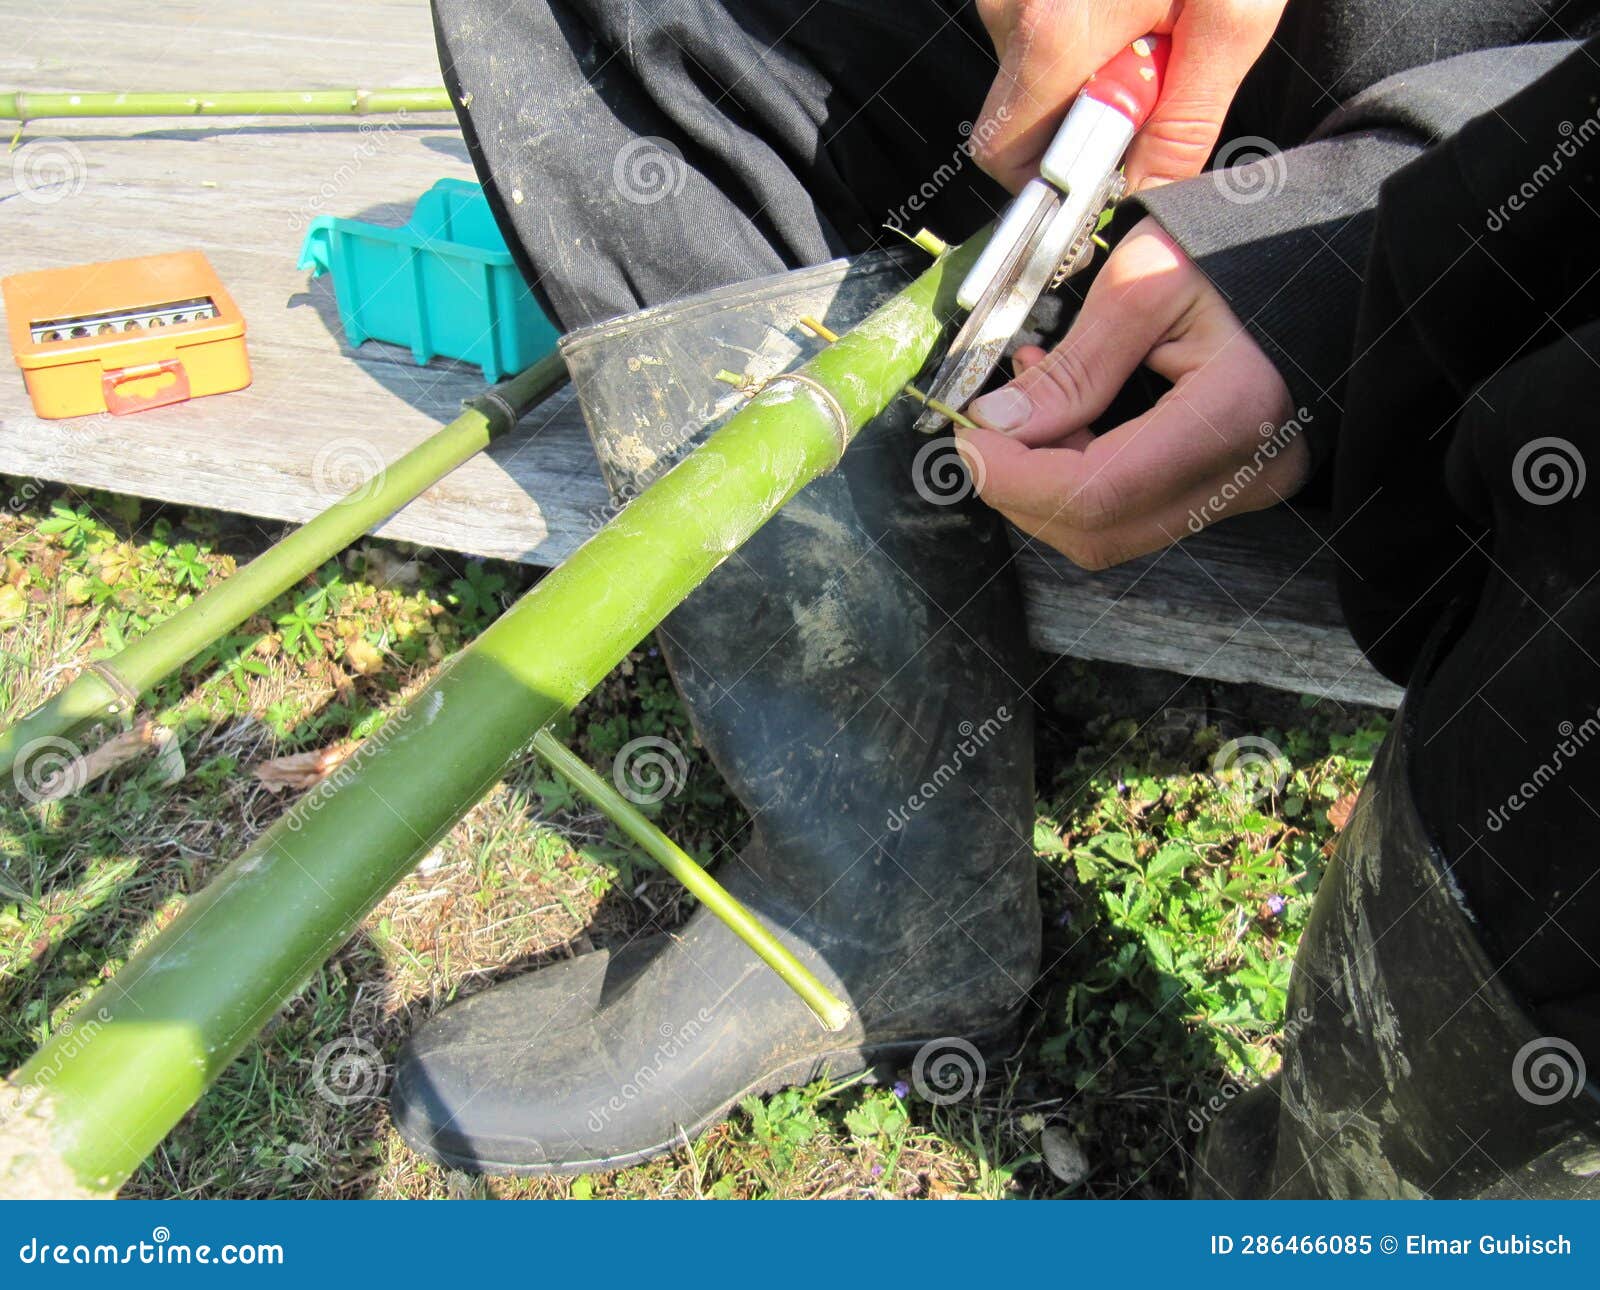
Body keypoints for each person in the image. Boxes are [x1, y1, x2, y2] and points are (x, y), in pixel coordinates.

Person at [392, 0, 1600, 1196]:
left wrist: (1338, 236)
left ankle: (1365, 1209)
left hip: (1499, 226)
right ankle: (877, 898)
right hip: (1065, 129)